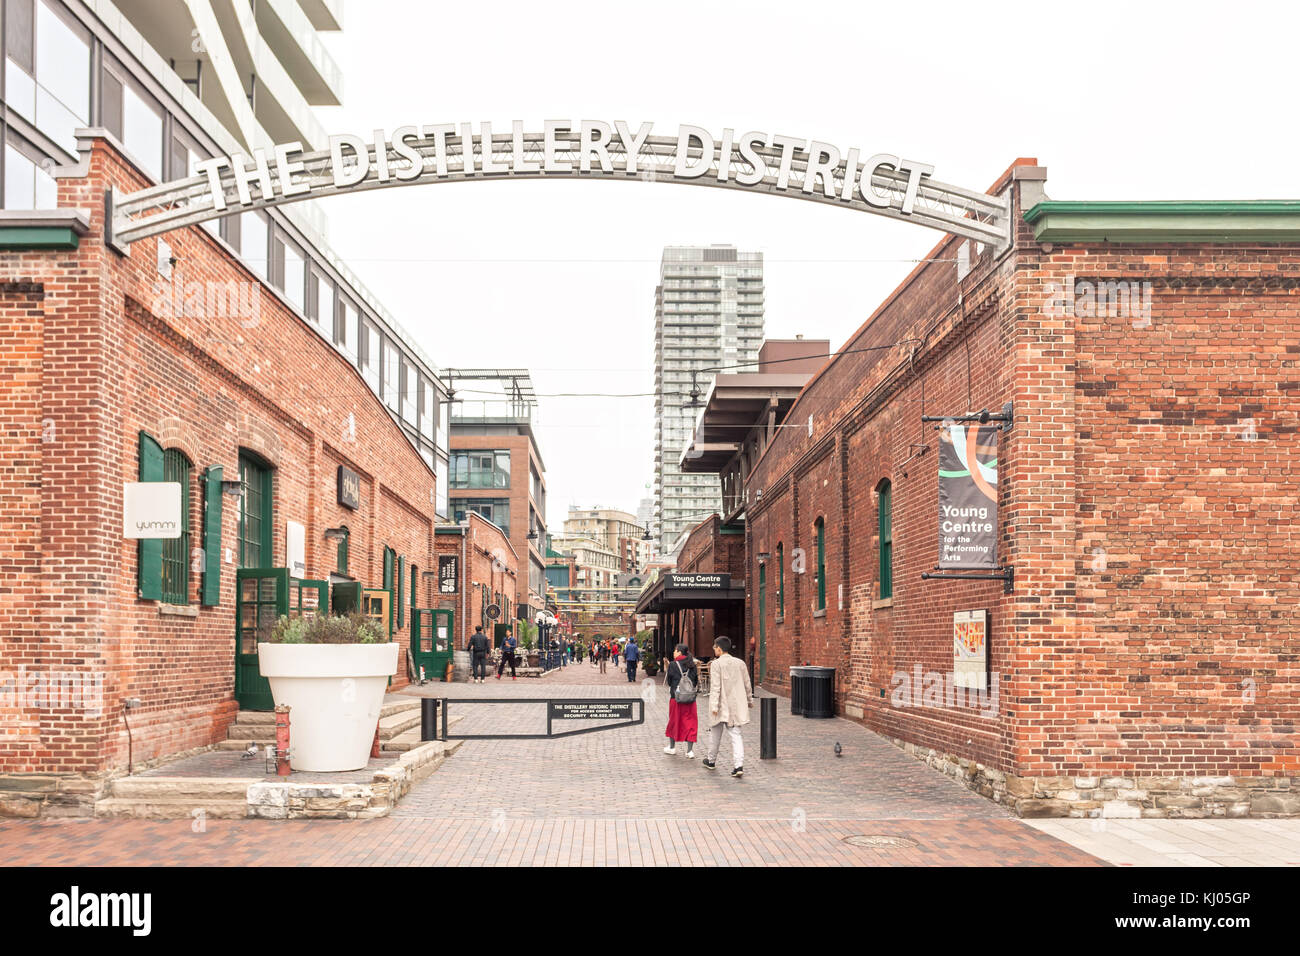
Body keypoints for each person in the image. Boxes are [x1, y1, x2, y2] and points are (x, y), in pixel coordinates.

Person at [702, 636, 753, 777]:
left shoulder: (716, 664)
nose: (713, 649)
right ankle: (738, 765)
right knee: (736, 735)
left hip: (720, 704)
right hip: (735, 706)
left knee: (715, 734)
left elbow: (716, 687)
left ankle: (711, 761)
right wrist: (749, 700)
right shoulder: (740, 663)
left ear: (719, 648)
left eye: (714, 647)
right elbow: (747, 684)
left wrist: (713, 707)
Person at [663, 643, 698, 757]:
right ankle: (689, 751)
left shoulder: (673, 665)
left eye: (675, 650)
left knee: (674, 721)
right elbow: (695, 681)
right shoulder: (692, 665)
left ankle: (672, 747)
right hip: (690, 699)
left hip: (676, 698)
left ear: (679, 652)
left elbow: (669, 681)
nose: (673, 652)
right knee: (690, 723)